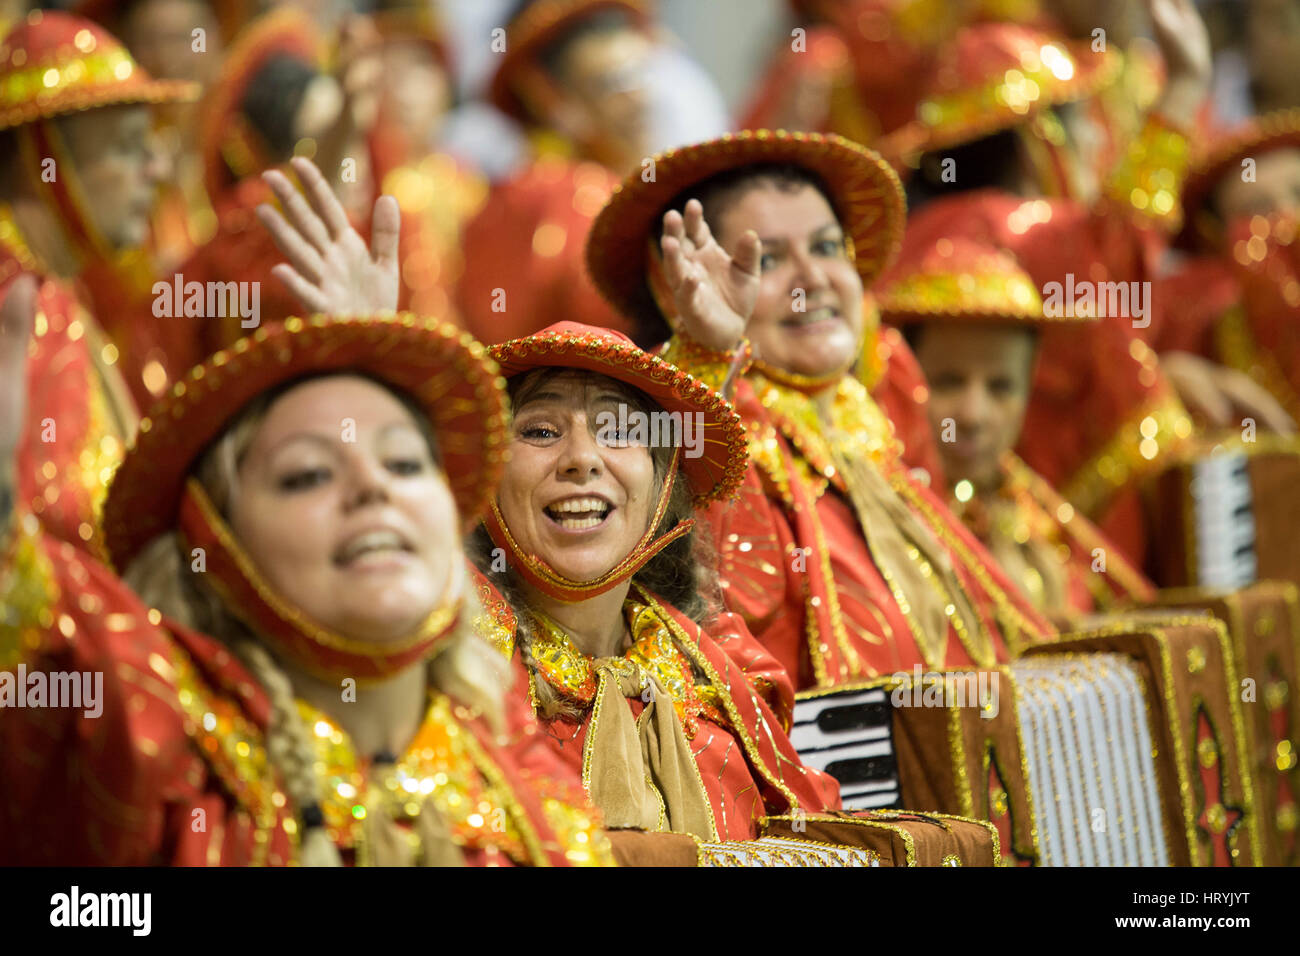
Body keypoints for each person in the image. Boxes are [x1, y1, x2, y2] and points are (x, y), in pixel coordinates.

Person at [0, 310, 614, 866]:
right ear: (212, 543)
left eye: (403, 462)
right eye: (309, 474)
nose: (375, 489)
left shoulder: (535, 794)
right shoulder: (155, 755)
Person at [585, 129, 1054, 689]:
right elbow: (703, 587)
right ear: (683, 287)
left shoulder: (874, 418)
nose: (814, 280)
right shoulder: (691, 430)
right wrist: (708, 356)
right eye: (768, 259)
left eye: (829, 248)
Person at [466, 321, 842, 840]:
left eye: (618, 433)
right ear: (484, 473)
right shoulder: (452, 670)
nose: (581, 460)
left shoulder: (723, 682)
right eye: (539, 431)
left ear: (664, 482)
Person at [876, 232, 1156, 621]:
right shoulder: (875, 517)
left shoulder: (1040, 517)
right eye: (946, 382)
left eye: (1001, 387)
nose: (973, 415)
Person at [0, 9, 196, 555]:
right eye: (127, 145)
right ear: (39, 158)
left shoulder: (54, 290)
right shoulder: (20, 300)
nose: (156, 168)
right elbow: (56, 533)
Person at [454, 0, 651, 343]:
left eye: (642, 74)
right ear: (553, 100)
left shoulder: (627, 186)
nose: (640, 98)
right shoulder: (567, 196)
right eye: (615, 82)